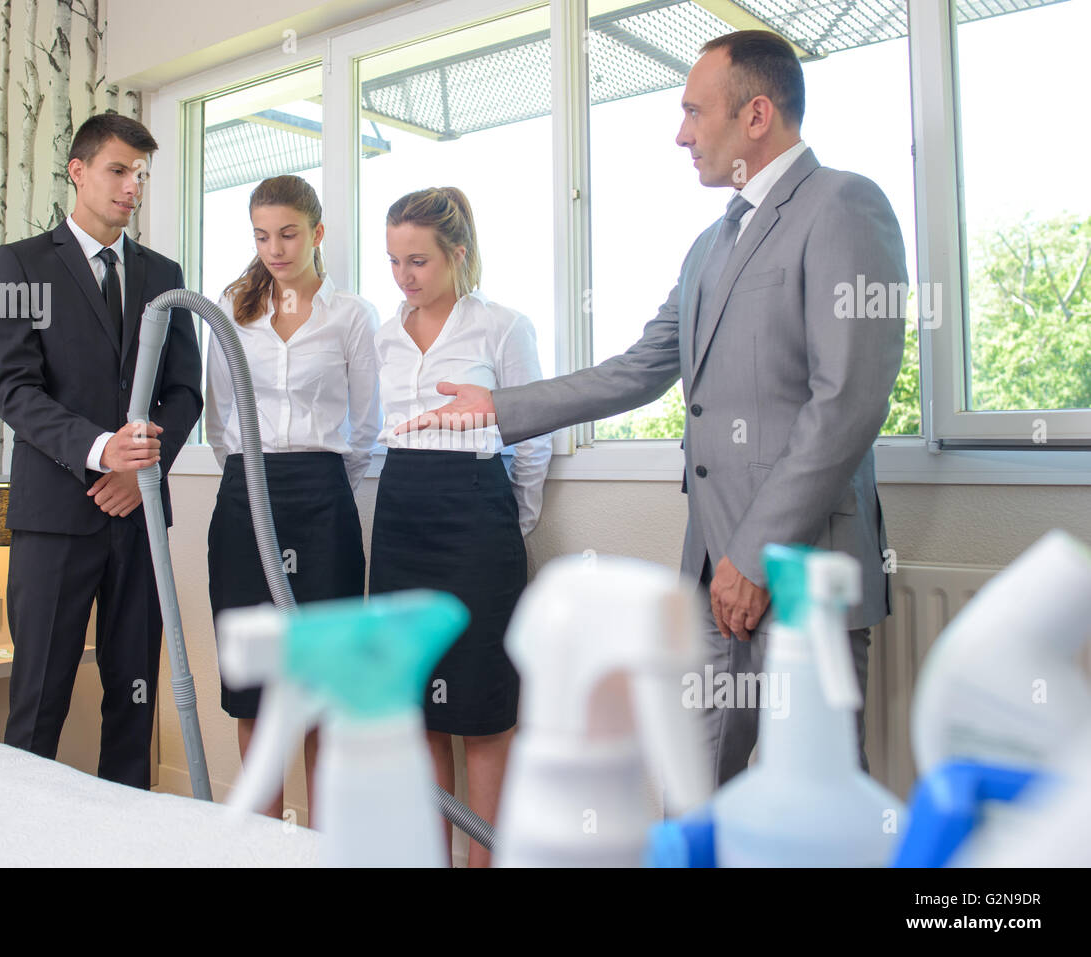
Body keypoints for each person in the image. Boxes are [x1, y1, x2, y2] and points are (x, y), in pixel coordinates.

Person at [397, 31, 907, 790]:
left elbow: (850, 400)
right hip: (710, 571)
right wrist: (495, 408)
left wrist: (758, 552)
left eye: (695, 112)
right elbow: (638, 370)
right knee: (695, 784)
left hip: (799, 568)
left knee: (823, 798)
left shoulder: (844, 205)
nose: (681, 133)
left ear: (757, 115)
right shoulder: (710, 245)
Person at [0, 113, 203, 789]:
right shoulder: (22, 262)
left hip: (137, 518)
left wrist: (139, 470)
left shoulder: (163, 273)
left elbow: (185, 390)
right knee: (39, 699)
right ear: (78, 171)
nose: (132, 185)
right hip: (56, 516)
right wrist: (101, 450)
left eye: (141, 173)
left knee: (135, 697)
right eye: (118, 169)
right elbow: (14, 389)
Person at [371, 186, 551, 866]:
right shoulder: (383, 334)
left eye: (418, 260)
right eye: (393, 261)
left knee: (480, 708)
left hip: (476, 519)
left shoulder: (503, 326)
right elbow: (370, 434)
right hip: (400, 516)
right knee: (415, 707)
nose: (404, 276)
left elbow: (532, 441)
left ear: (458, 254)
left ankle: (485, 859)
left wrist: (507, 524)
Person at [205, 175, 380, 821]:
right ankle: (262, 843)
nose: (274, 248)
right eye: (261, 235)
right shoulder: (231, 305)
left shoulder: (351, 315)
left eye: (288, 233)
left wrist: (322, 481)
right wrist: (252, 478)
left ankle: (324, 842)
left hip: (321, 497)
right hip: (243, 495)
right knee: (254, 680)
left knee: (320, 679)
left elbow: (367, 425)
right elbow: (220, 417)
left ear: (317, 233)